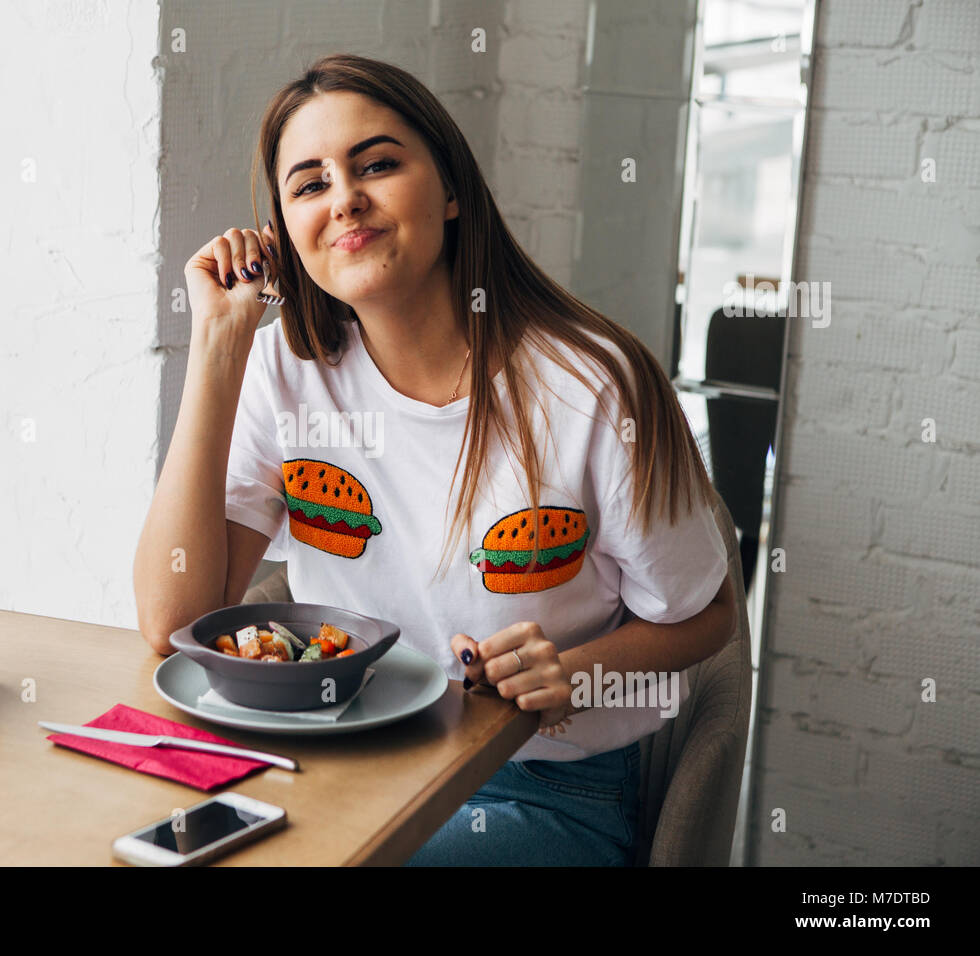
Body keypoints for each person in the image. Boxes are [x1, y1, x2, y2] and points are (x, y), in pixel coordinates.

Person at [132, 53, 735, 866]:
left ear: (451, 190)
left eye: (376, 164)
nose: (344, 196)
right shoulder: (281, 370)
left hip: (532, 786)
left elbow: (706, 618)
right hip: (330, 768)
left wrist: (572, 672)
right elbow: (174, 622)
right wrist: (217, 346)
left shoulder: (596, 385)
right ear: (287, 233)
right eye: (309, 184)